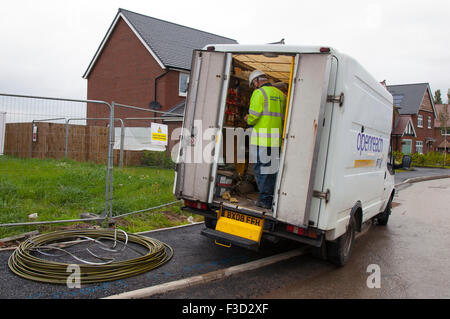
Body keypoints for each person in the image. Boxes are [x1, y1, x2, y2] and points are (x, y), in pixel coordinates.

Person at [244, 70, 286, 209]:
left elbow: (254, 116)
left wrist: (247, 119)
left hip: (261, 140)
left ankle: (265, 200)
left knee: (260, 170)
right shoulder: (281, 95)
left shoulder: (259, 93)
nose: (254, 87)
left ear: (256, 81)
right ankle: (272, 199)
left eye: (253, 84)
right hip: (275, 140)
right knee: (272, 170)